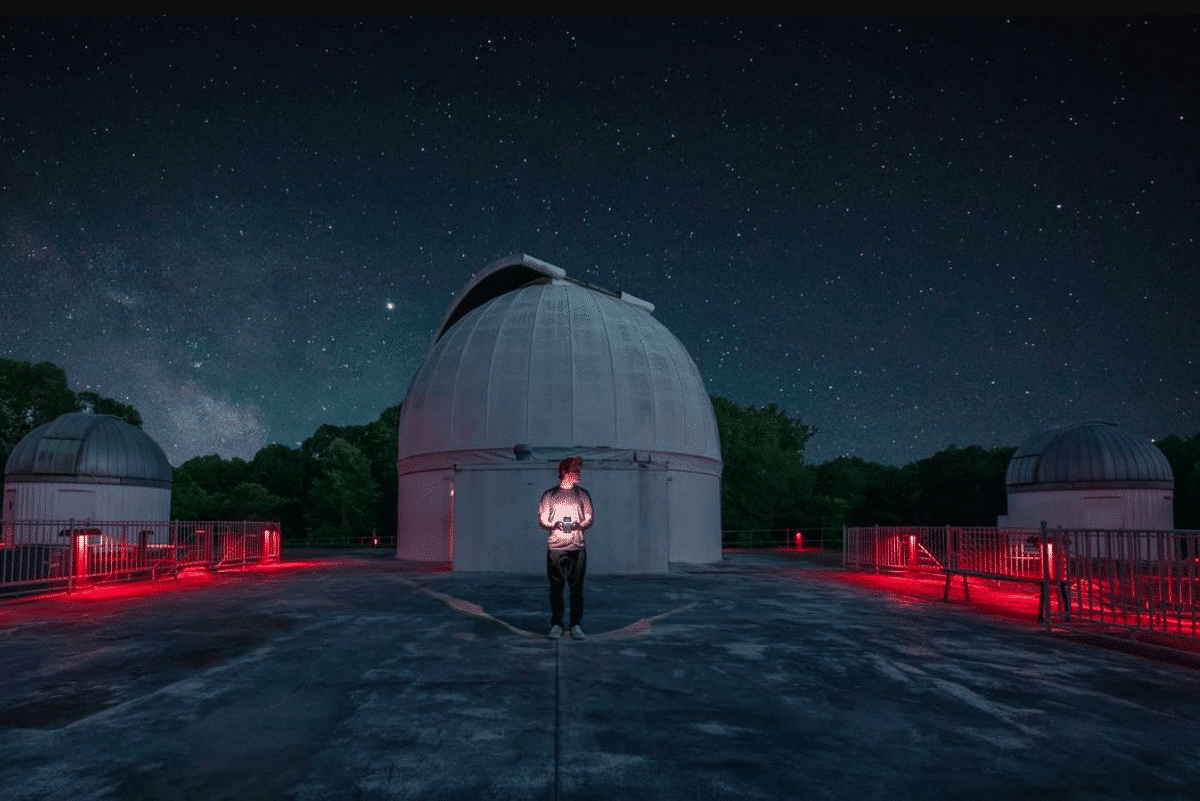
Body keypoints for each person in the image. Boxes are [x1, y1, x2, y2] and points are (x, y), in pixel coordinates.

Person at [538, 456, 593, 640]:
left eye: (579, 470)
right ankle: (557, 624)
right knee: (556, 588)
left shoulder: (582, 495)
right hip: (556, 548)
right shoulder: (549, 495)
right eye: (575, 470)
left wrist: (579, 525)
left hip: (577, 548)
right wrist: (555, 525)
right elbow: (542, 520)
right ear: (564, 472)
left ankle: (575, 624)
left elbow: (589, 518)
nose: (578, 473)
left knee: (577, 589)